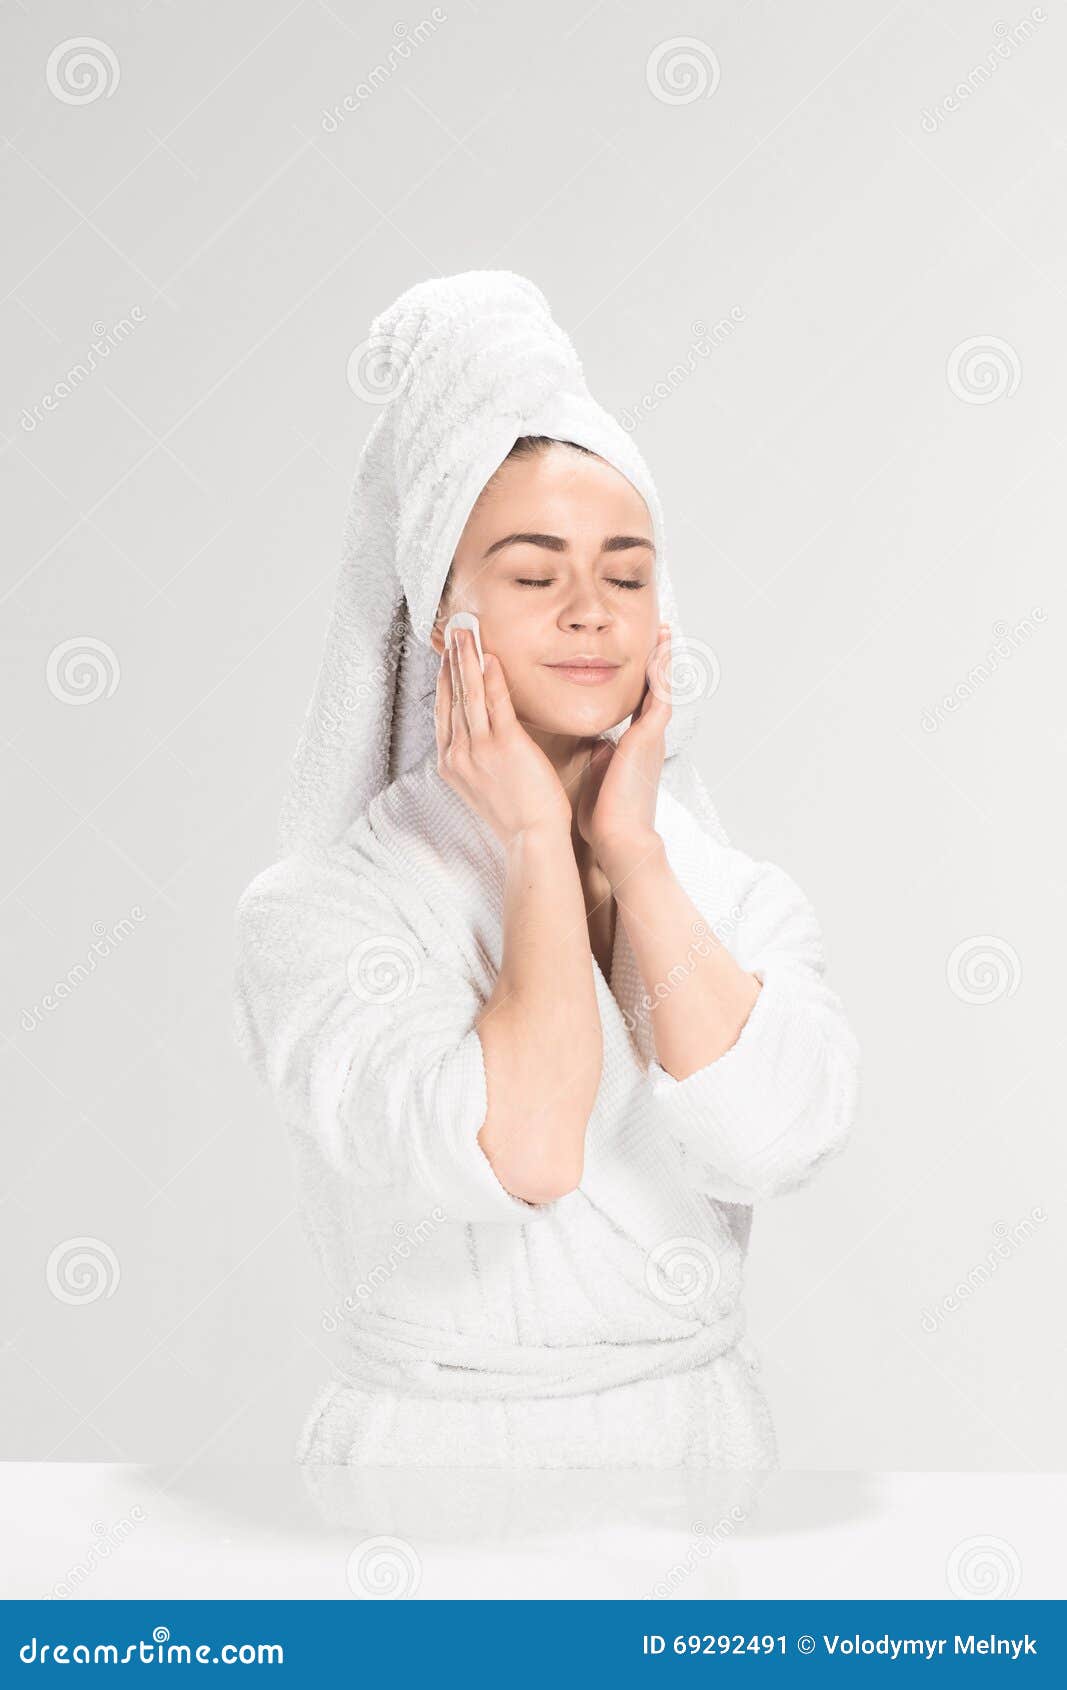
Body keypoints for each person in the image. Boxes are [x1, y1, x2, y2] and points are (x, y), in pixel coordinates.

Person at [232, 271, 861, 1468]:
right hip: (431, 1476)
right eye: (533, 573)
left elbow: (776, 1139)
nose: (590, 610)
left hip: (697, 1459)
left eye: (625, 572)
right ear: (436, 613)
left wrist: (628, 850)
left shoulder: (730, 896)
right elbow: (519, 1149)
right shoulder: (319, 913)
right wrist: (532, 845)